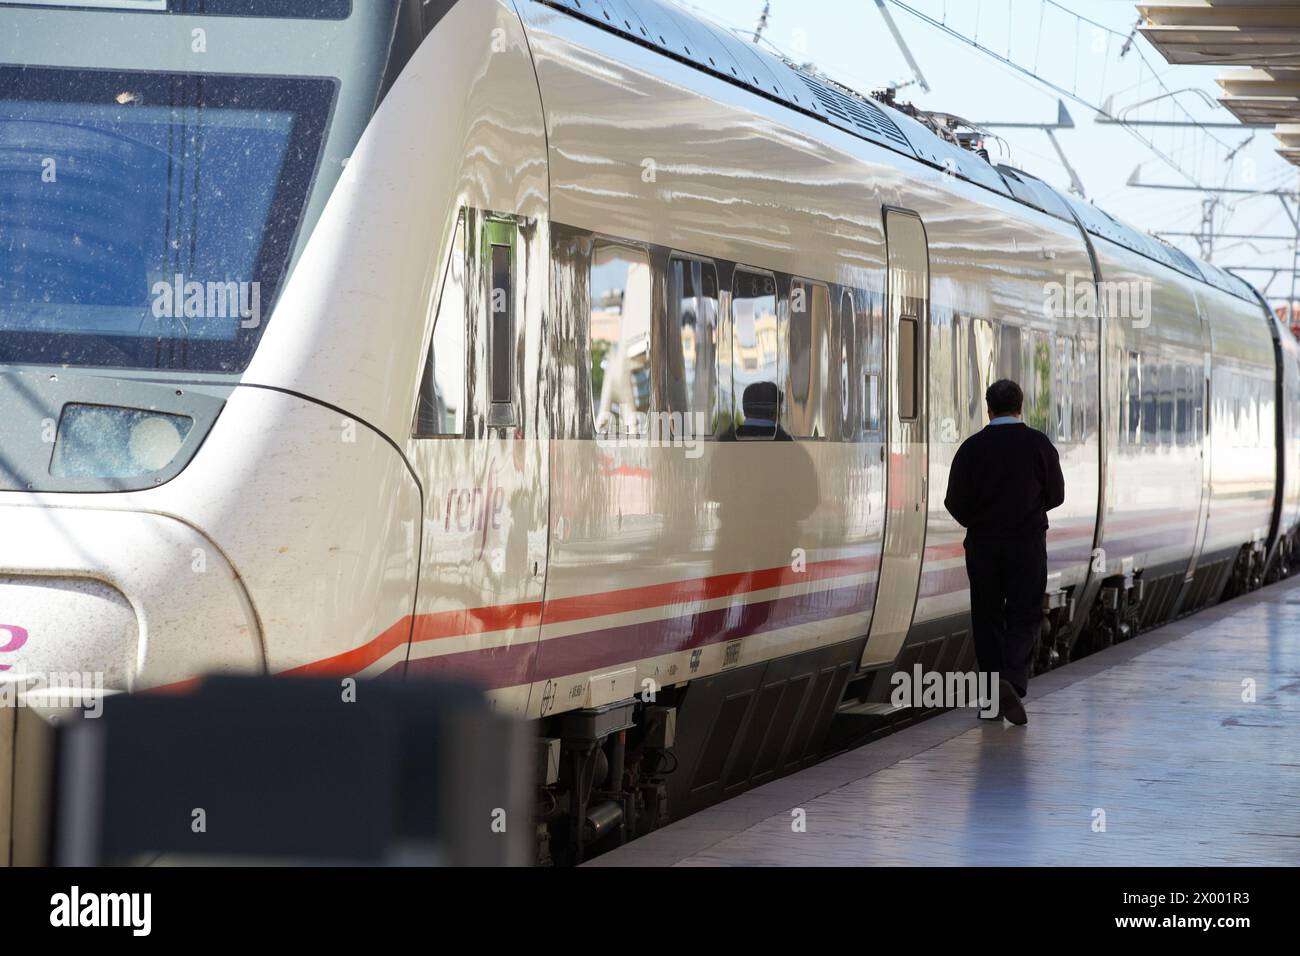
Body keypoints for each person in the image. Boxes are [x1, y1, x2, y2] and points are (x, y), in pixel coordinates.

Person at [944, 379, 1065, 726]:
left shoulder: (971, 448)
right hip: (1026, 544)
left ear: (989, 408)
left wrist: (979, 522)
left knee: (987, 616)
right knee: (1025, 613)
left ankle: (991, 698)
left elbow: (955, 502)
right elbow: (1056, 495)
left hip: (983, 547)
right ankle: (1010, 680)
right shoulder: (1038, 445)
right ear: (1020, 407)